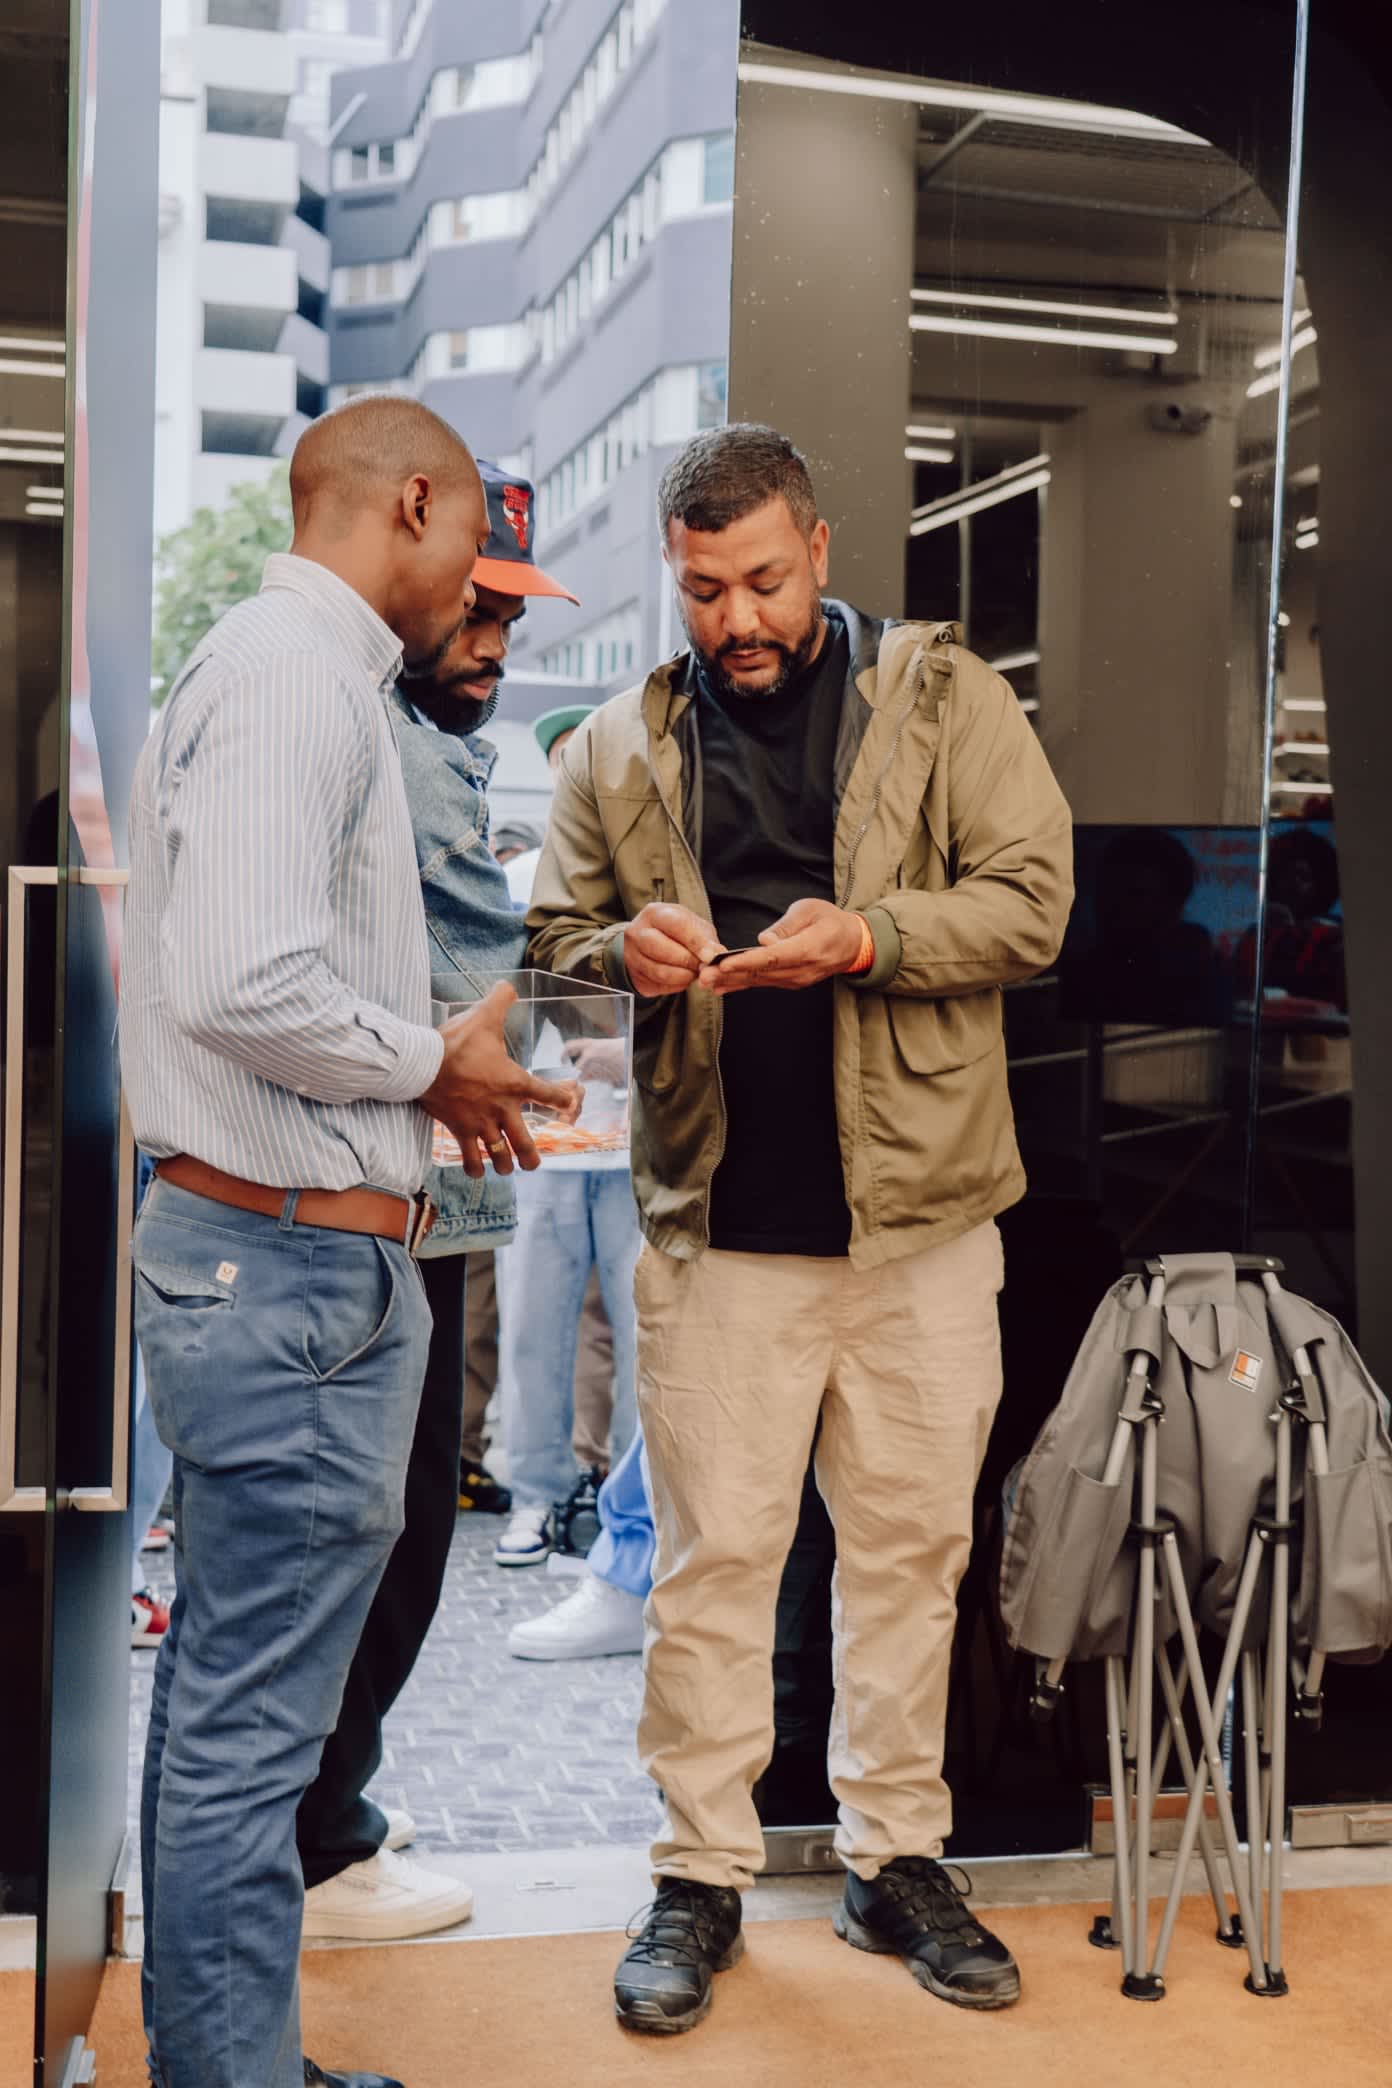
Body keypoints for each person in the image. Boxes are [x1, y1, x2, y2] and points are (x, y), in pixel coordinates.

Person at [527, 423, 1074, 2034]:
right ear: (674, 580)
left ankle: (895, 1862)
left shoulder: (945, 696)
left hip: (921, 1231)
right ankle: (698, 1877)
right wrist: (614, 951)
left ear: (819, 551)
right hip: (717, 1234)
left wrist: (873, 938)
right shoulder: (611, 749)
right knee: (712, 1574)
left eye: (763, 581)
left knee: (911, 1562)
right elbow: (552, 944)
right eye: (703, 592)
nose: (737, 620)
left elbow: (1033, 903)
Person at [121, 395, 573, 2088]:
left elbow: (264, 974)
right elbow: (240, 979)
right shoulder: (298, 679)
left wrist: (423, 1084)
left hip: (290, 1244)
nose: (479, 588)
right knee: (249, 1732)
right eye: (475, 544)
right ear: (415, 499)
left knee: (234, 1722)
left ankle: (227, 2062)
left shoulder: (293, 678)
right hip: (287, 1263)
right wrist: (426, 1060)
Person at [295, 460, 584, 1940]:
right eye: (473, 607)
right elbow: (490, 1004)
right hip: (376, 1217)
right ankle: (324, 1843)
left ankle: (329, 1805)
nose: (492, 642)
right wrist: (599, 962)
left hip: (413, 1211)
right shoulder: (387, 748)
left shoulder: (420, 741)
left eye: (510, 616)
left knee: (392, 1527)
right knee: (384, 1535)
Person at [492, 808, 643, 1566]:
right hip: (544, 1142)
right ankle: (534, 1498)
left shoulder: (657, 879)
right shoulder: (522, 876)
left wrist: (633, 1056)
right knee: (531, 1329)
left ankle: (633, 1512)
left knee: (647, 1339)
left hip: (638, 1144)